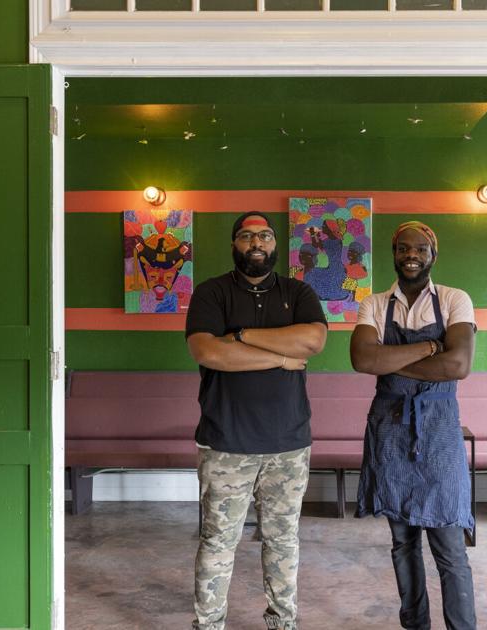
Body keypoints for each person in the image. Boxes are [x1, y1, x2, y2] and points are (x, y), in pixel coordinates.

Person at [185, 211, 328, 630]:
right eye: (247, 236)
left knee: (283, 540)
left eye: (264, 235)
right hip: (226, 442)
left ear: (275, 244)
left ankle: (283, 621)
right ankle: (209, 624)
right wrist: (282, 358)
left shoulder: (298, 292)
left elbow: (313, 340)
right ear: (234, 244)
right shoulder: (211, 293)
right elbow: (210, 353)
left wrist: (241, 335)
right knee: (218, 540)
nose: (256, 242)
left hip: (289, 443)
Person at [350, 221, 477, 630]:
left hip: (439, 432)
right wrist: (429, 348)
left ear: (433, 254)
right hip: (389, 431)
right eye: (403, 248)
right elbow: (363, 360)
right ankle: (415, 624)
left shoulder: (455, 299)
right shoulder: (373, 304)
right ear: (393, 253)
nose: (411, 255)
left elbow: (458, 364)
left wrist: (391, 360)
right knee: (403, 543)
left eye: (420, 249)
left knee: (450, 546)